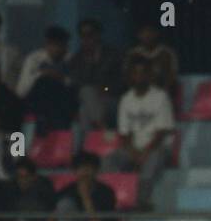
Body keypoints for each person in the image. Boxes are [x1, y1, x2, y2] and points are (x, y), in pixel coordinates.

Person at [106, 59, 174, 210]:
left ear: (150, 75)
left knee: (152, 161)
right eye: (135, 73)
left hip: (158, 147)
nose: (139, 77)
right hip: (134, 149)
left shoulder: (160, 96)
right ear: (130, 76)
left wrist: (144, 154)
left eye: (143, 73)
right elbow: (124, 133)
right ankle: (113, 199)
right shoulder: (126, 99)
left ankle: (141, 200)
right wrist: (133, 152)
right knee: (110, 159)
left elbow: (161, 132)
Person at [16, 25, 76, 132]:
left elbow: (74, 86)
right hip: (36, 103)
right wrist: (41, 74)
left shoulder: (71, 60)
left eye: (61, 45)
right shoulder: (34, 59)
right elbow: (21, 91)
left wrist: (60, 78)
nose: (57, 49)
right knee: (44, 82)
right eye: (54, 45)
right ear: (47, 44)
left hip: (62, 104)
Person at [54, 151, 118, 221]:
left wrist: (85, 197)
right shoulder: (67, 191)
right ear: (75, 171)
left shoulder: (106, 192)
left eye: (88, 168)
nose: (85, 172)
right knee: (65, 204)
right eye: (81, 168)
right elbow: (52, 216)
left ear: (96, 170)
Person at [70, 17, 124, 129]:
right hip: (90, 101)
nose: (86, 39)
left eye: (90, 34)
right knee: (84, 106)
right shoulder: (77, 59)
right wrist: (89, 63)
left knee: (86, 105)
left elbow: (121, 81)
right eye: (82, 35)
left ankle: (95, 134)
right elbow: (76, 85)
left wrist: (105, 89)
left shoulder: (112, 55)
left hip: (110, 99)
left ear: (98, 34)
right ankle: (99, 131)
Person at [124, 22, 179, 99]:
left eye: (150, 32)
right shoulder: (133, 54)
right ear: (138, 35)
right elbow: (127, 77)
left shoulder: (166, 53)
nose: (147, 35)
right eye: (143, 33)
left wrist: (160, 93)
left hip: (162, 94)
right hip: (138, 95)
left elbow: (172, 77)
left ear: (157, 33)